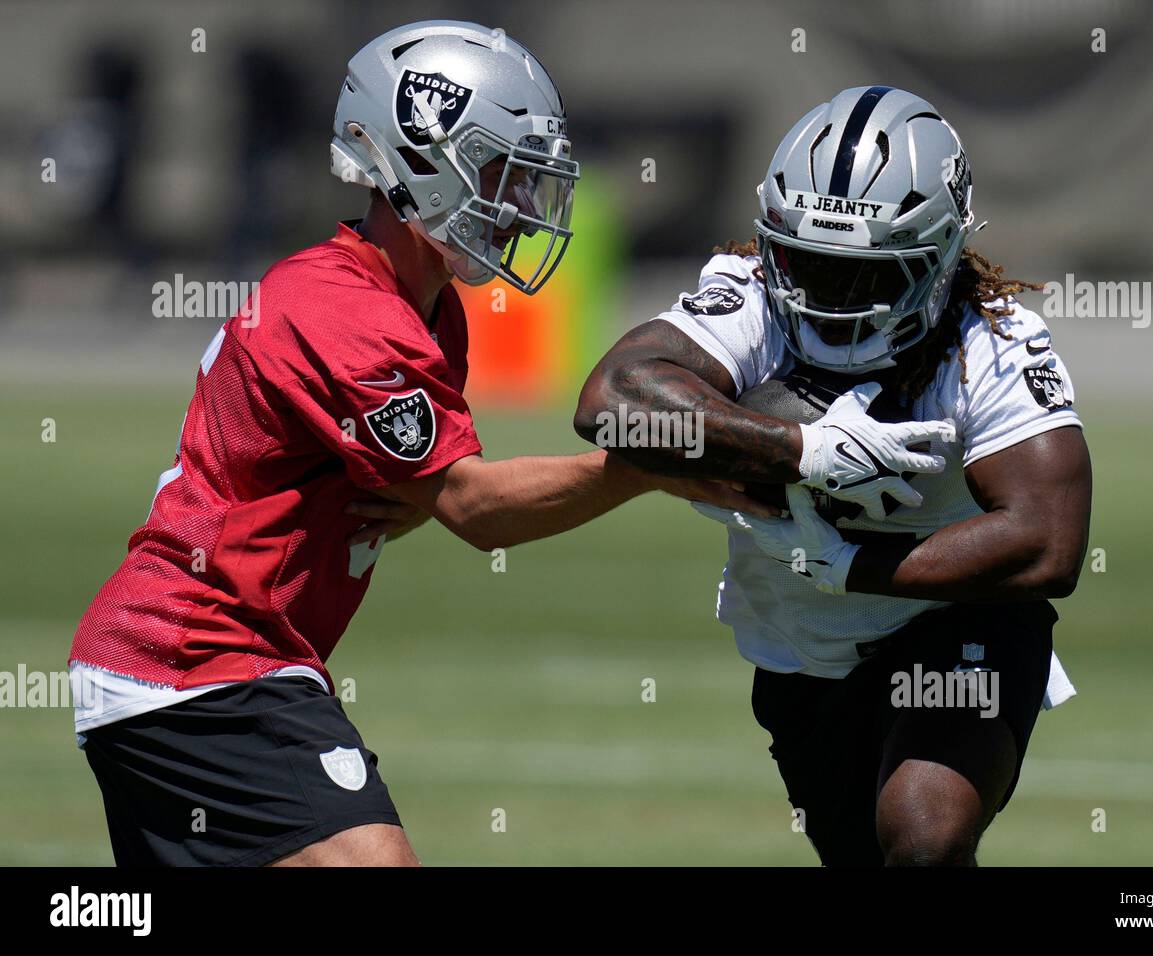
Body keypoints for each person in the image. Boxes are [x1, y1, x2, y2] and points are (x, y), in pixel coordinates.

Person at [67, 19, 771, 868]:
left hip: (215, 661)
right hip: (197, 659)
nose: (517, 207)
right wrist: (656, 461)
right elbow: (475, 509)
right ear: (419, 164)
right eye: (499, 175)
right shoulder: (349, 313)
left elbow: (402, 492)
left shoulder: (426, 306)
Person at [575, 86, 1092, 866]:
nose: (830, 299)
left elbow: (1048, 545)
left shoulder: (992, 341)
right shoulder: (746, 295)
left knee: (923, 838)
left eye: (866, 274)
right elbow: (611, 404)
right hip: (799, 646)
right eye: (810, 263)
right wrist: (800, 451)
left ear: (942, 254)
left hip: (956, 622)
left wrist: (859, 568)